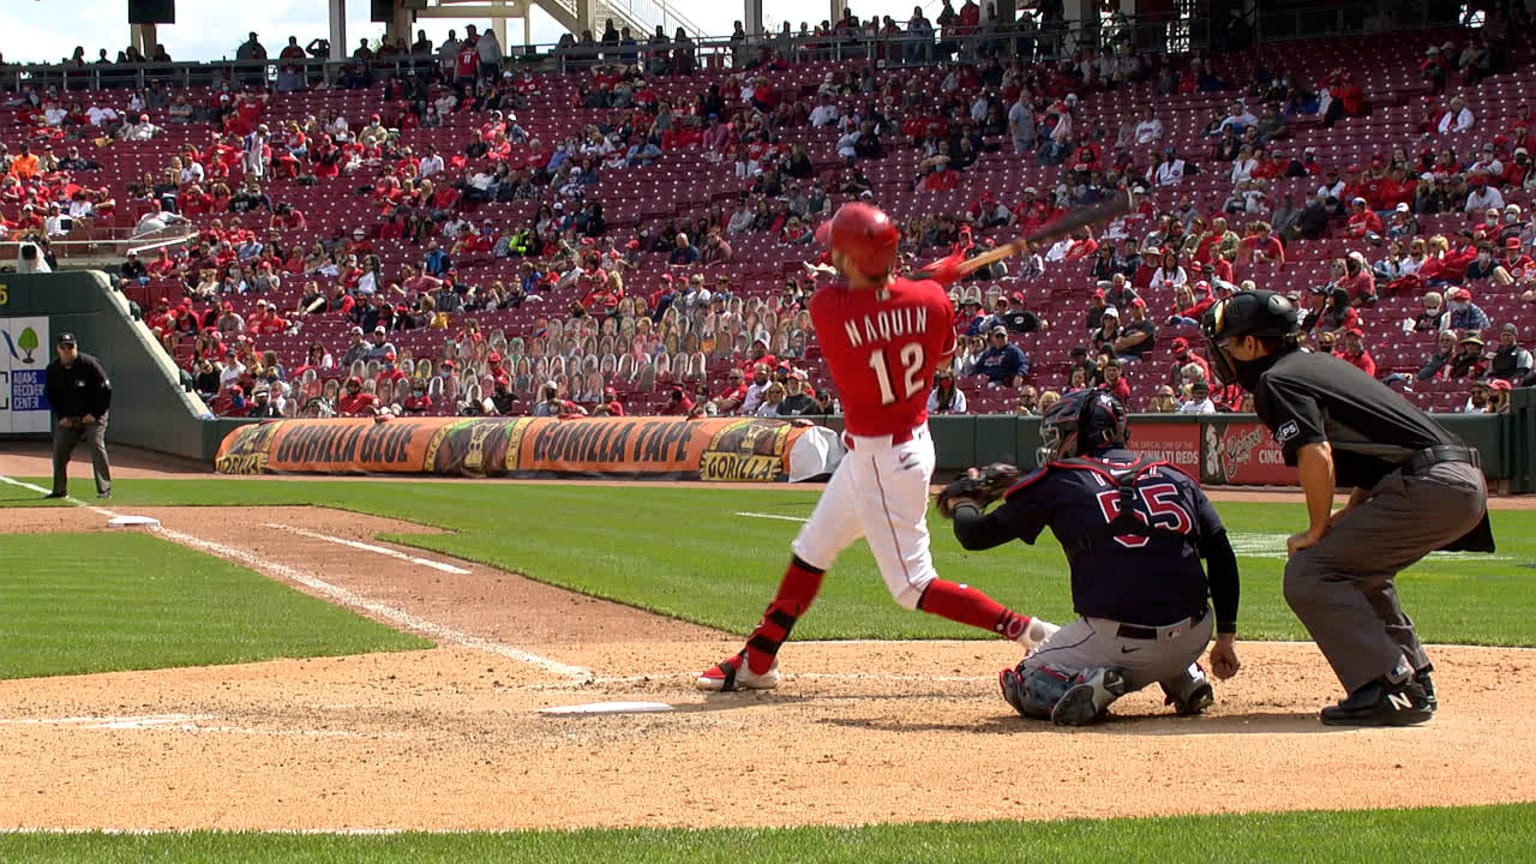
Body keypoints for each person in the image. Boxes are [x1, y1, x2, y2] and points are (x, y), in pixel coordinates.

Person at [697, 202, 1059, 692]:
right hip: (896, 444)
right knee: (812, 549)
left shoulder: (827, 308)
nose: (830, 255)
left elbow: (862, 294)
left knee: (913, 587)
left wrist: (923, 280)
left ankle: (1035, 633)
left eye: (838, 250)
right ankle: (758, 660)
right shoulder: (932, 302)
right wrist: (931, 283)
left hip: (888, 461)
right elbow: (934, 336)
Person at [1201, 290, 1494, 726]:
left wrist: (1316, 528)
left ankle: (1383, 683)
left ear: (1251, 344)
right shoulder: (1318, 365)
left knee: (1310, 569)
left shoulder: (1276, 379)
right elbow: (1376, 454)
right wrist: (1346, 515)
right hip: (1451, 478)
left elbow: (1317, 453)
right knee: (1355, 568)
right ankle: (1411, 678)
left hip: (1430, 483)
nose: (1222, 357)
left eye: (1226, 346)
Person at [941, 390, 1241, 725]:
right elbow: (1222, 554)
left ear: (1082, 433)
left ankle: (1095, 685)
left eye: (1060, 433)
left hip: (1117, 641)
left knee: (1024, 680)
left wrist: (964, 500)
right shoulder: (1176, 475)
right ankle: (1184, 676)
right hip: (1195, 636)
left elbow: (974, 536)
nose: (1055, 442)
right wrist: (1226, 637)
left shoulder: (1060, 479)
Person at [42, 333, 113, 499]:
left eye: (70, 346)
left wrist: (95, 414)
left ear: (75, 347)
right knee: (59, 450)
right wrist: (61, 417)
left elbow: (106, 390)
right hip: (70, 417)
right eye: (63, 347)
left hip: (93, 416)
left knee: (96, 446)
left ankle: (104, 490)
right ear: (58, 349)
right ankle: (59, 490)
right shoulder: (53, 369)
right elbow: (51, 395)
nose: (67, 350)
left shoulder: (89, 364)